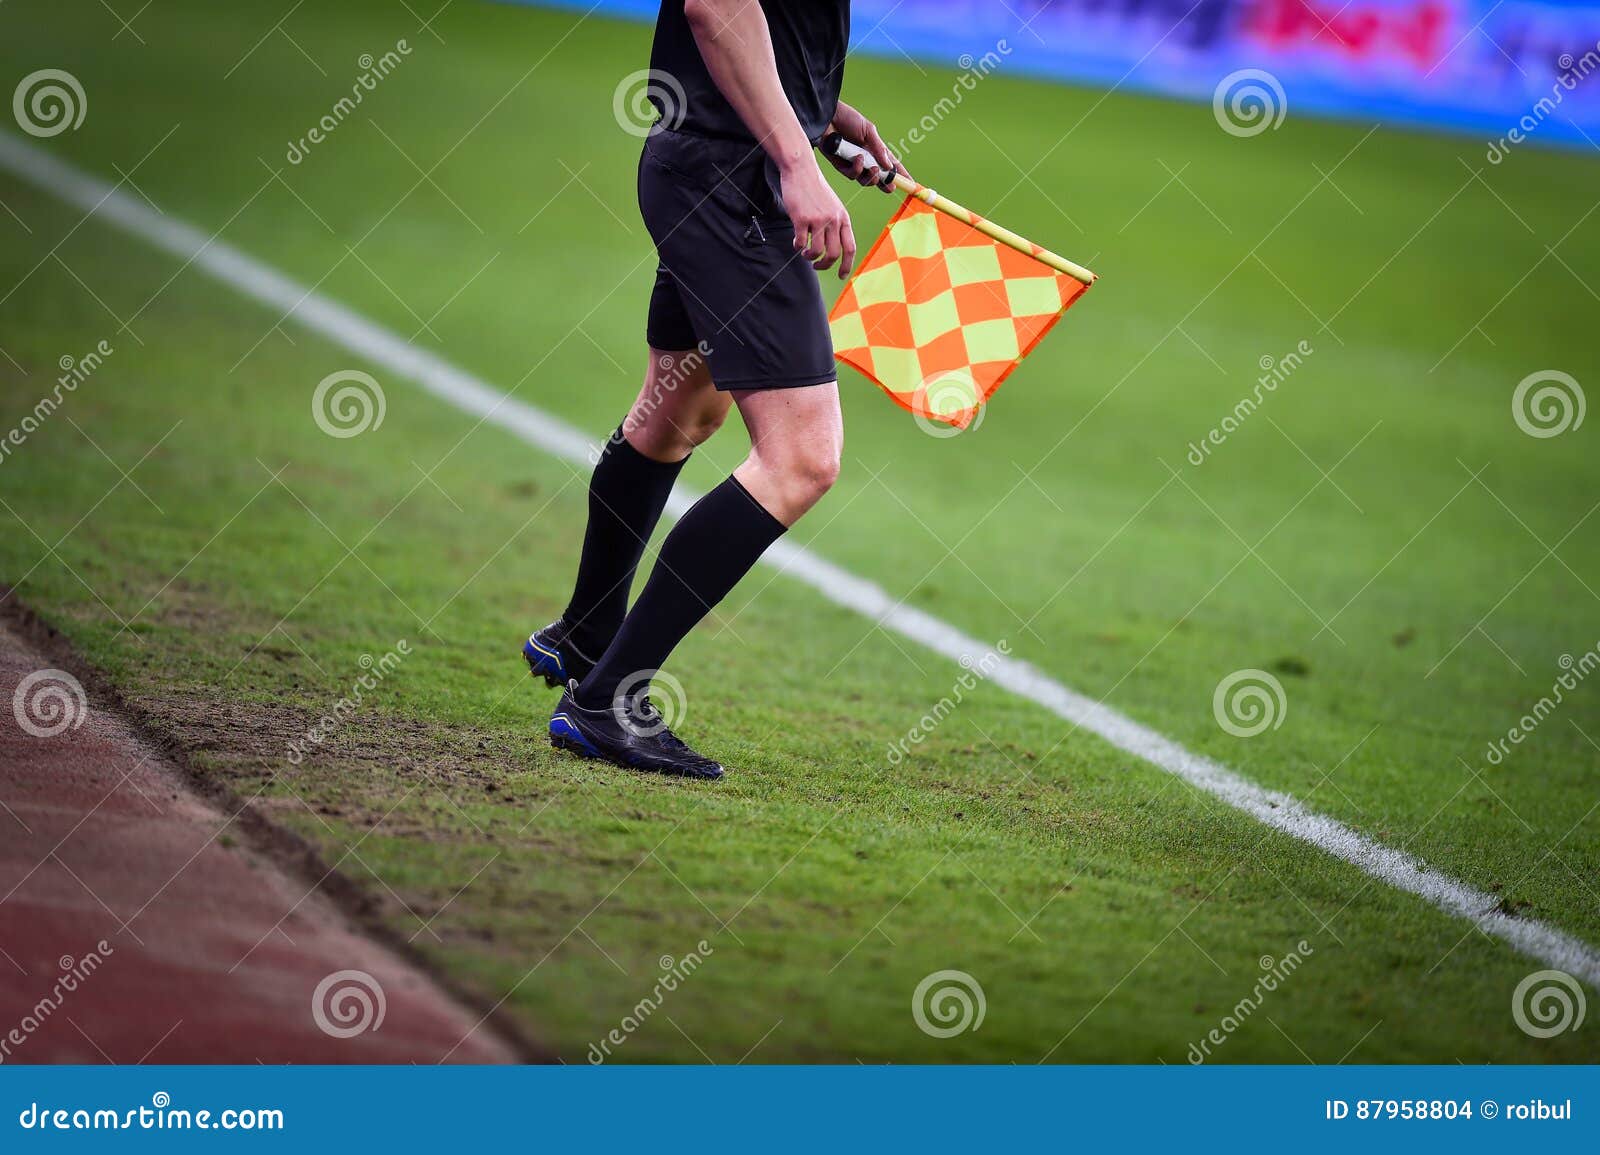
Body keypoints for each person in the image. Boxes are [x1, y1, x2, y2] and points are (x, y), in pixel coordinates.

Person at [522, 0, 903, 779]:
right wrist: (795, 161)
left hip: (709, 165)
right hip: (734, 186)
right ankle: (606, 701)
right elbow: (716, 5)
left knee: (680, 411)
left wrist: (817, 118)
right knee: (803, 458)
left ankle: (587, 636)